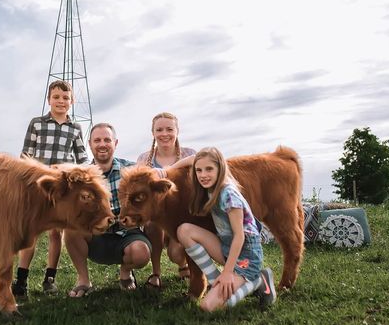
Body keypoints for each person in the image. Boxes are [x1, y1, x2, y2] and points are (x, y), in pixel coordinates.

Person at [12, 79, 89, 297]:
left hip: (62, 187)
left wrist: (68, 169)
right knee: (31, 232)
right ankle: (22, 280)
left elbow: (82, 159)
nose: (60, 101)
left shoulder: (75, 128)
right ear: (48, 100)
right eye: (56, 97)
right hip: (38, 186)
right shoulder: (37, 123)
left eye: (65, 98)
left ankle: (49, 278)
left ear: (71, 101)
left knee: (57, 233)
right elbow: (26, 155)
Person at [176, 147, 276, 311]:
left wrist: (228, 272)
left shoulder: (228, 194)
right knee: (184, 230)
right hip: (226, 248)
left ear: (220, 169)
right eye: (199, 170)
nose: (203, 175)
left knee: (208, 307)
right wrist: (167, 171)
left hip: (246, 256)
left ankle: (259, 280)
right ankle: (217, 281)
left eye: (209, 169)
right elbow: (193, 158)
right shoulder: (211, 187)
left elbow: (239, 236)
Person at [65, 122, 151, 295]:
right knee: (71, 229)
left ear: (115, 143)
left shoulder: (131, 170)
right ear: (90, 144)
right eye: (97, 140)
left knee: (141, 254)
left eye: (107, 140)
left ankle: (125, 273)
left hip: (128, 233)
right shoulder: (81, 176)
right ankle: (83, 280)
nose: (102, 144)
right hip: (97, 236)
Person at [136, 112, 195, 288]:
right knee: (154, 222)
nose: (164, 134)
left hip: (183, 217)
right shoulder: (143, 159)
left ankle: (185, 265)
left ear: (177, 130)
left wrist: (167, 171)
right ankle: (156, 273)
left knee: (175, 254)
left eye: (169, 129)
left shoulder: (190, 153)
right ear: (153, 133)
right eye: (159, 129)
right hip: (156, 219)